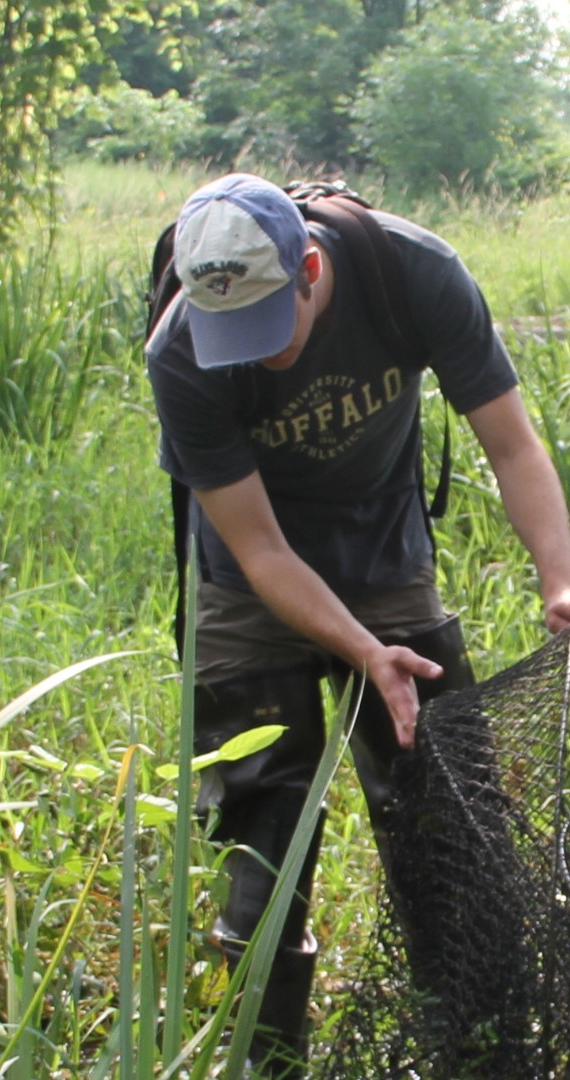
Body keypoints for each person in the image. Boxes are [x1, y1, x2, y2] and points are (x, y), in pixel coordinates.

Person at [144, 172, 570, 1076]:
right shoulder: (182, 351)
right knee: (260, 866)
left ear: (308, 266)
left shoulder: (408, 273)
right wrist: (361, 654)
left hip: (385, 564)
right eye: (233, 336)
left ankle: (481, 1058)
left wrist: (561, 579)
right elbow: (260, 554)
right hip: (247, 593)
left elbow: (513, 444)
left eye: (269, 326)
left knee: (454, 842)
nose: (253, 357)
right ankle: (268, 1063)